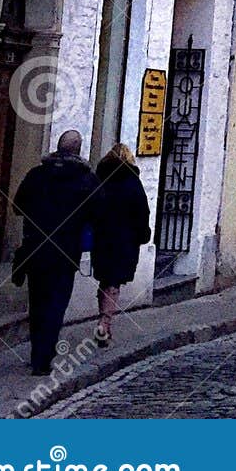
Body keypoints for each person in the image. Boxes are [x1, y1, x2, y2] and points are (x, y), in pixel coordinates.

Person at [12, 130, 98, 374]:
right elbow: (97, 213)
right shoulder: (85, 180)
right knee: (56, 305)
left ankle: (37, 352)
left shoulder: (37, 175)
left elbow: (18, 206)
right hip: (65, 252)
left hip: (35, 249)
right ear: (78, 150)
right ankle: (43, 357)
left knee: (37, 302)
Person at [89, 143, 151, 346]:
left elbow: (92, 207)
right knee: (113, 281)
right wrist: (143, 235)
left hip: (103, 237)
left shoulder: (100, 179)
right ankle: (104, 324)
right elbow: (142, 212)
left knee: (105, 279)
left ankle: (104, 323)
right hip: (125, 240)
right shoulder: (132, 182)